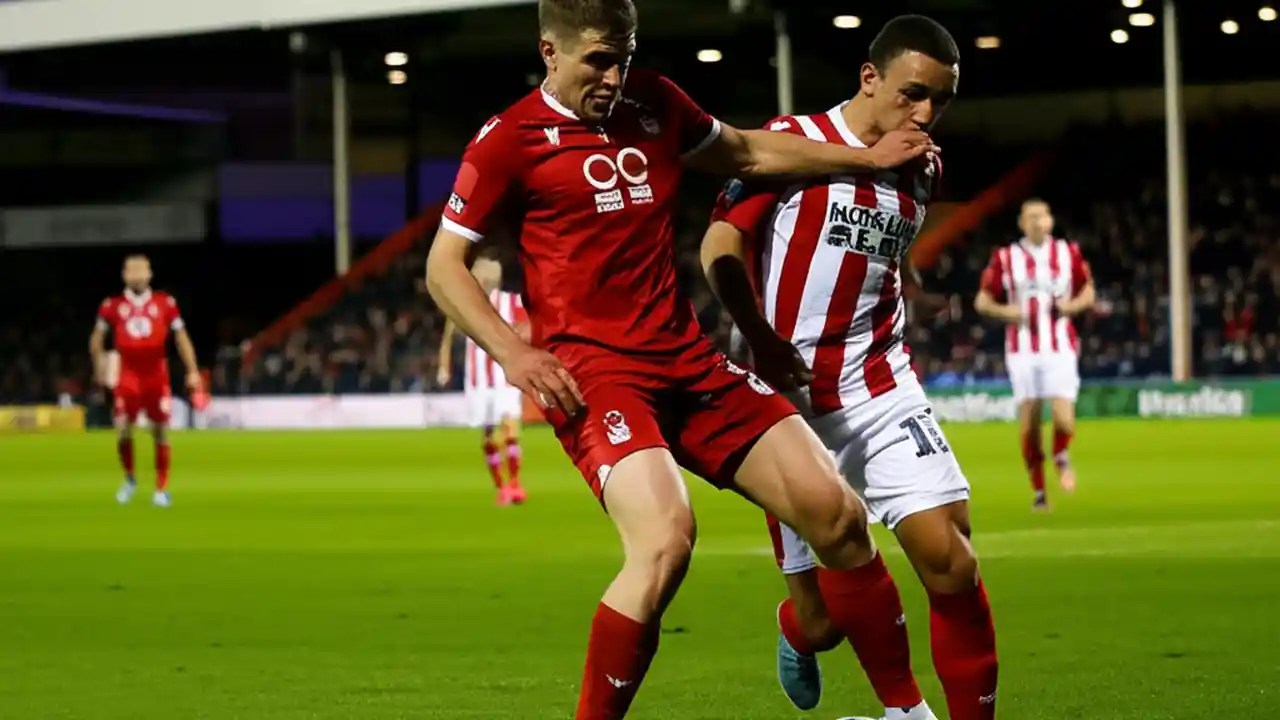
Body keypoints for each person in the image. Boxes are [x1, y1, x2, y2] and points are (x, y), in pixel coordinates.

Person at [424, 1, 939, 717]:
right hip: (595, 376)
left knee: (838, 514)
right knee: (666, 540)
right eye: (598, 60)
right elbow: (445, 264)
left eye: (624, 57)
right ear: (550, 51)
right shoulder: (508, 141)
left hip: (686, 360)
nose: (614, 76)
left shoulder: (655, 102)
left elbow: (750, 152)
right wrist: (513, 352)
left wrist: (866, 158)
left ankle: (905, 714)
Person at [703, 15, 998, 720]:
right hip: (787, 410)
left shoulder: (923, 166)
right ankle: (795, 626)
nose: (926, 114)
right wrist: (760, 340)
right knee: (824, 623)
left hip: (879, 385)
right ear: (870, 78)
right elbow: (719, 248)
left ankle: (914, 715)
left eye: (941, 101)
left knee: (952, 561)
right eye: (913, 93)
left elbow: (878, 253)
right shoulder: (790, 141)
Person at [975, 198, 1095, 510]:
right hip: (1022, 350)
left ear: (1051, 220)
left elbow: (1088, 292)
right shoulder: (1005, 257)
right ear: (1021, 223)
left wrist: (1072, 306)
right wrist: (1007, 311)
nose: (1037, 222)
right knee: (1029, 425)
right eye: (1031, 217)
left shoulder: (1068, 253)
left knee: (1064, 421)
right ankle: (1040, 492)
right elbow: (982, 301)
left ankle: (1060, 453)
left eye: (1042, 216)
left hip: (1060, 347)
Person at [89, 254, 202, 508]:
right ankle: (129, 480)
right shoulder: (112, 306)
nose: (138, 274)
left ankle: (161, 489)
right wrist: (99, 368)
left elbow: (181, 337)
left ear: (150, 274)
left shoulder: (165, 303)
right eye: (132, 270)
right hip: (127, 375)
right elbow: (96, 339)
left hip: (156, 374)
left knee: (160, 431)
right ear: (125, 275)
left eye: (142, 270)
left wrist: (192, 370)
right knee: (123, 427)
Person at [437, 252, 529, 505]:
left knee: (510, 429)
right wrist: (444, 363)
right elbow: (449, 331)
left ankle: (515, 484)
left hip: (504, 375)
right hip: (478, 379)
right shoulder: (465, 305)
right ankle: (501, 487)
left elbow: (532, 321)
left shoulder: (511, 300)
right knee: (488, 434)